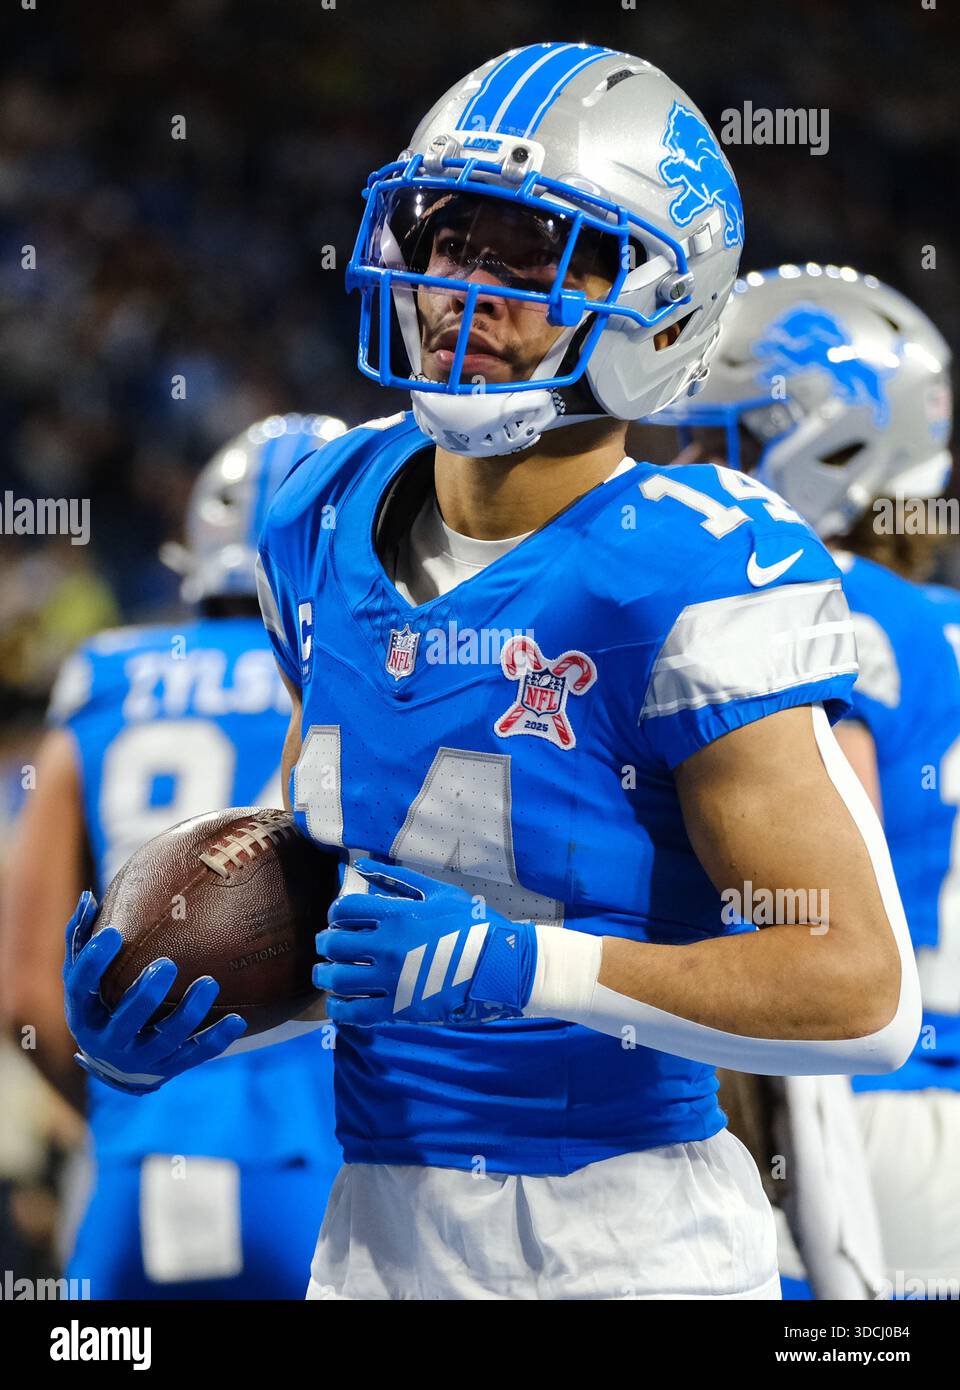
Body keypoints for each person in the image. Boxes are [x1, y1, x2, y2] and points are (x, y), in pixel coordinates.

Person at [63, 44, 919, 1301]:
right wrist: (182, 1011)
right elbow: (356, 903)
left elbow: (860, 989)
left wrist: (530, 968)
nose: (460, 285)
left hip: (617, 1235)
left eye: (525, 253)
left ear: (663, 309)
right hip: (369, 1225)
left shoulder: (682, 566)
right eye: (446, 235)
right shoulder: (319, 513)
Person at [650, 262, 959, 1297]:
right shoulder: (938, 623)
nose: (688, 467)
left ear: (828, 444)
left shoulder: (815, 607)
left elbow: (817, 916)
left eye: (716, 440)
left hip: (863, 1100)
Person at [2, 415, 345, 1298]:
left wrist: (118, 1105)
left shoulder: (105, 678)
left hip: (137, 1172)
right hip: (322, 1164)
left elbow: (25, 989)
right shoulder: (366, 682)